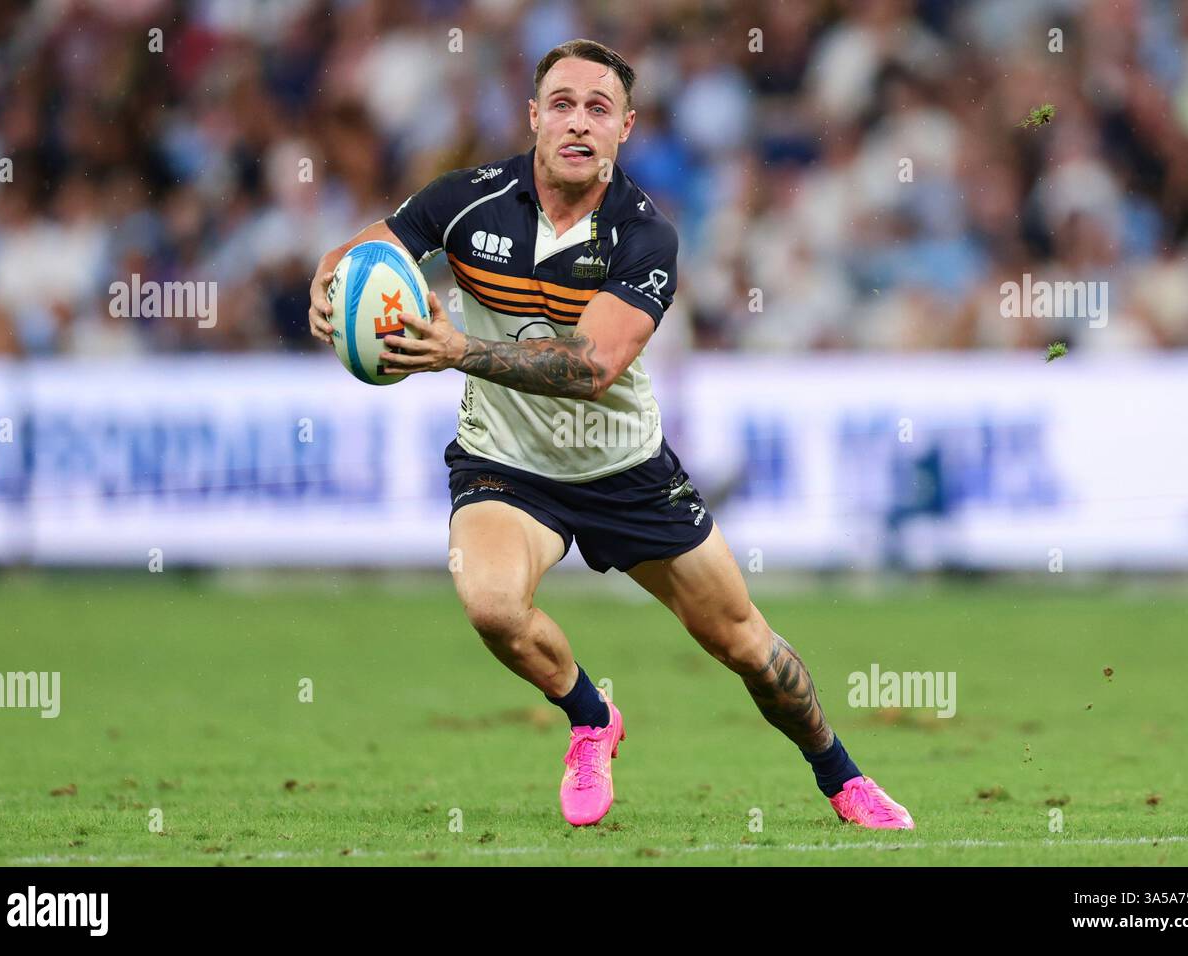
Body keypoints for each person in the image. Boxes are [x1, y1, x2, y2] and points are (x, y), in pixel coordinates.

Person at [308, 39, 912, 830]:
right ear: (533, 117)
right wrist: (328, 288)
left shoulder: (644, 236)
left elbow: (591, 365)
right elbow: (362, 250)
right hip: (506, 465)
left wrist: (459, 350)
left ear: (626, 128)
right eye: (562, 104)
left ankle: (841, 775)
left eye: (600, 108)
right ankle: (592, 719)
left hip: (626, 470)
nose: (579, 122)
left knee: (746, 646)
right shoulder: (466, 199)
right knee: (492, 607)